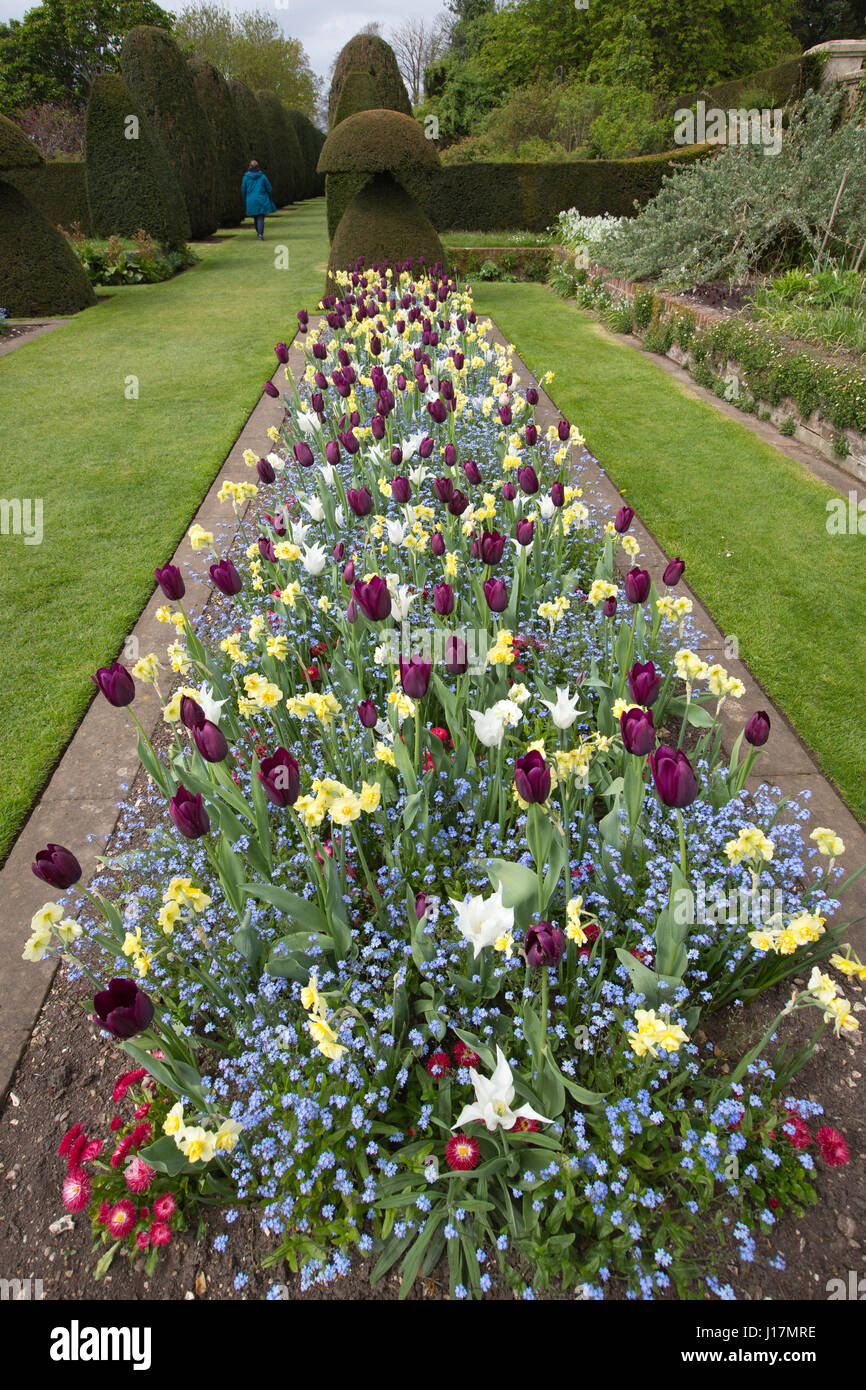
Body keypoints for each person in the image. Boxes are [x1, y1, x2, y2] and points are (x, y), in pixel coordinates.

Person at [241, 160, 276, 240]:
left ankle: (258, 232)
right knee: (260, 217)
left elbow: (243, 189)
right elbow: (269, 188)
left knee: (255, 216)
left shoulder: (246, 177)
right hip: (261, 198)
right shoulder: (262, 176)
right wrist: (269, 196)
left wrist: (245, 199)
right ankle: (260, 234)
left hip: (251, 199)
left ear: (249, 166)